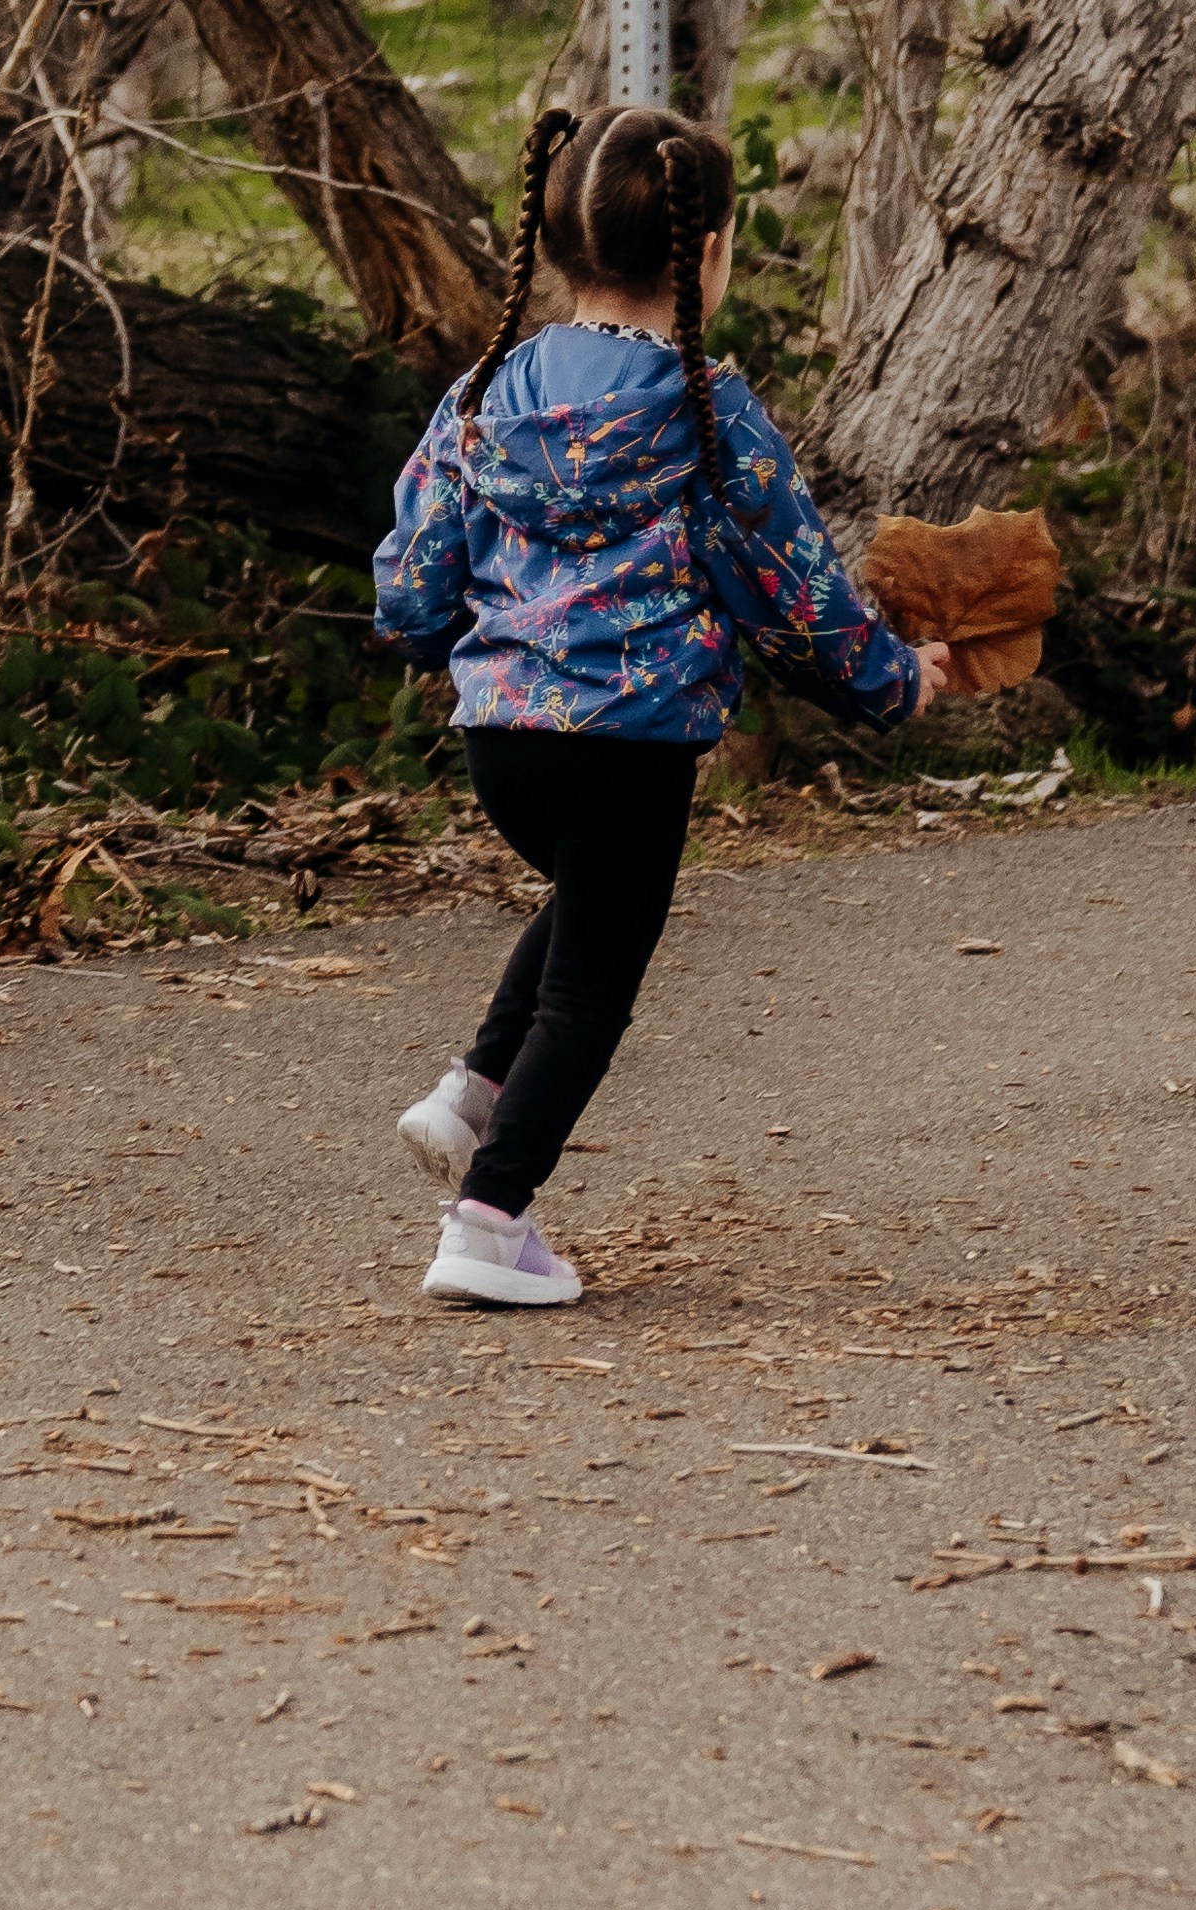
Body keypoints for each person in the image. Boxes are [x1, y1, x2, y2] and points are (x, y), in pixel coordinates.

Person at [363, 101, 927, 1311]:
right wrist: (899, 678)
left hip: (501, 748)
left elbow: (412, 580)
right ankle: (489, 1220)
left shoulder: (481, 398)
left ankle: (468, 1098)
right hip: (631, 750)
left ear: (558, 244)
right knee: (592, 992)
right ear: (709, 250)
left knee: (584, 906)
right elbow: (799, 595)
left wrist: (436, 638)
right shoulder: (708, 417)